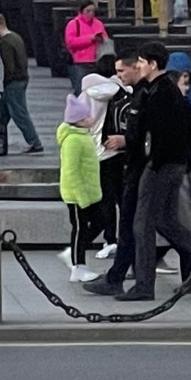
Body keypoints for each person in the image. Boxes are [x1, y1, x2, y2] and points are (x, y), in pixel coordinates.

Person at [110, 43, 191, 303]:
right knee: (166, 222)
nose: (138, 65)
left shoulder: (163, 92)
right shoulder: (155, 89)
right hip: (166, 164)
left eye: (141, 62)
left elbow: (188, 126)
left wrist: (158, 158)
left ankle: (144, 285)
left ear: (152, 64)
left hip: (160, 167)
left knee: (142, 224)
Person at [57, 87, 104, 283]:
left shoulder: (83, 137)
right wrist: (82, 197)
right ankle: (78, 265)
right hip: (78, 195)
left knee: (98, 222)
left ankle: (76, 253)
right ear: (80, 120)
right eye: (87, 117)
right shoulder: (74, 141)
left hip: (89, 192)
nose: (92, 118)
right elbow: (71, 171)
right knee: (80, 227)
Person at [0, 11, 43, 154]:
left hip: (14, 81)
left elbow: (9, 66)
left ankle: (35, 142)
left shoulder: (5, 42)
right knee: (2, 108)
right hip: (23, 78)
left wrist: (7, 82)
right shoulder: (16, 37)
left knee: (19, 113)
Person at [64, 0, 112, 96]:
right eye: (88, 11)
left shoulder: (98, 24)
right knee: (80, 90)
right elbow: (71, 42)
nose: (91, 14)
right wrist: (90, 39)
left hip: (97, 61)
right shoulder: (74, 24)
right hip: (80, 62)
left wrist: (101, 39)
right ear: (81, 11)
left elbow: (105, 38)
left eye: (93, 11)